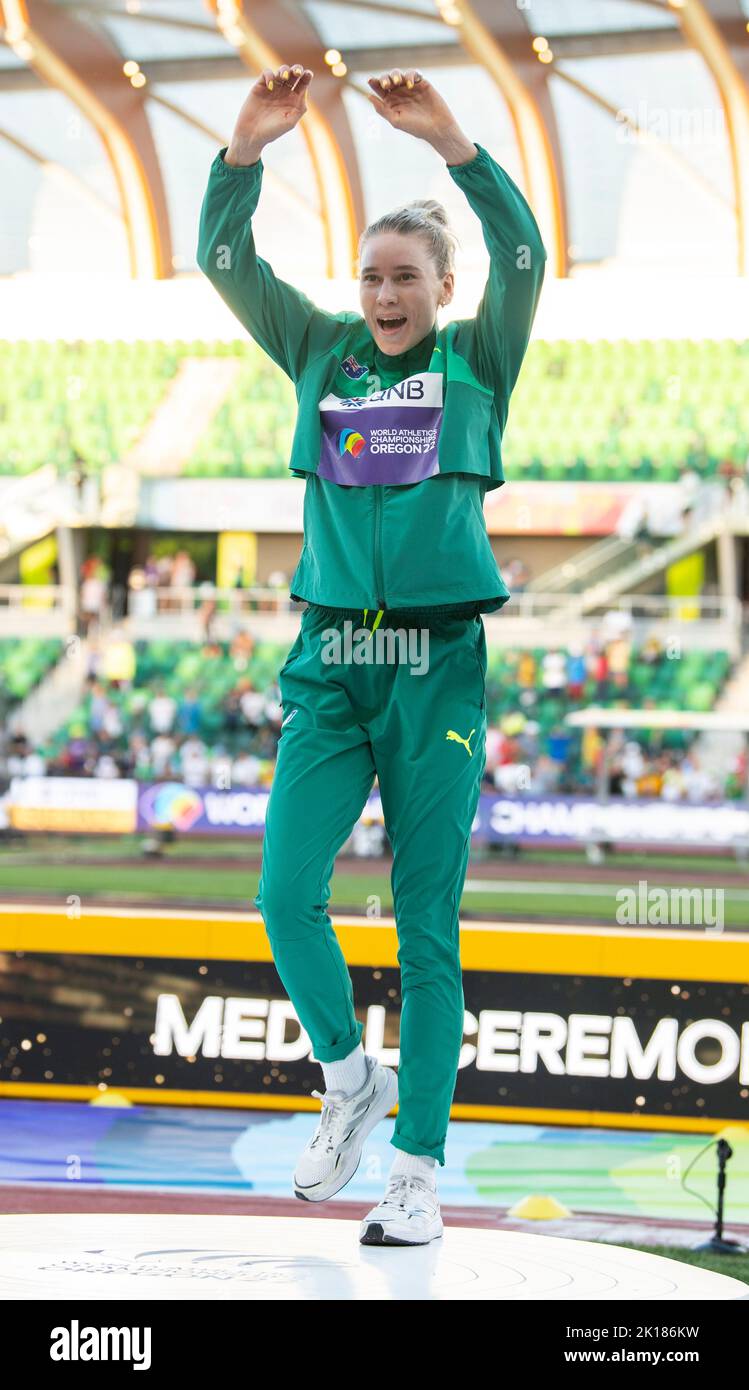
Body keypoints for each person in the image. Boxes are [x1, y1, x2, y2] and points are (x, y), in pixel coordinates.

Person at [197, 62, 546, 1246]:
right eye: (372, 275)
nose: (385, 292)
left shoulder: (475, 365)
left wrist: (454, 144)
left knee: (426, 921)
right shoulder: (319, 349)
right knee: (283, 894)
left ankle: (416, 1170)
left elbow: (526, 259)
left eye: (406, 277)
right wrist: (245, 148)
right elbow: (226, 262)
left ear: (442, 289)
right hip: (329, 661)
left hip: (437, 667)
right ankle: (349, 1080)